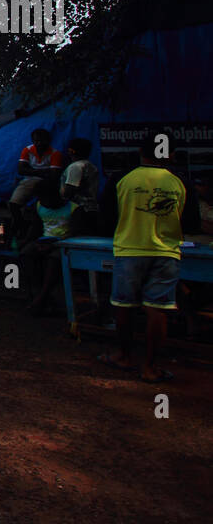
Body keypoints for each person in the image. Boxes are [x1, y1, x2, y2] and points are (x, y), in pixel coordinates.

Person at [100, 133, 186, 383]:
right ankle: (150, 367)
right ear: (170, 155)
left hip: (129, 250)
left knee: (124, 306)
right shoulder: (179, 182)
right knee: (158, 309)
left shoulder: (122, 179)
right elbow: (188, 221)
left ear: (141, 151)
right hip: (166, 252)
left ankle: (124, 356)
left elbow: (106, 217)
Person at [20, 180, 76, 316]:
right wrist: (28, 241)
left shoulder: (74, 209)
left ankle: (42, 297)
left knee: (54, 258)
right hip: (44, 241)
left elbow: (75, 234)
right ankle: (37, 293)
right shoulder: (39, 206)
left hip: (65, 244)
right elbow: (36, 228)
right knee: (26, 253)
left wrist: (53, 245)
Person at [8, 128, 65, 243]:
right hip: (30, 180)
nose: (39, 144)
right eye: (36, 141)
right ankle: (20, 225)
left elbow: (54, 175)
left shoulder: (55, 153)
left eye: (41, 141)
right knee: (13, 203)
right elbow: (21, 169)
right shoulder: (28, 150)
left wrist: (32, 170)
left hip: (47, 183)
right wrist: (41, 172)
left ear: (48, 141)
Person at [59, 137, 100, 236]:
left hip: (79, 210)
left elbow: (70, 189)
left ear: (71, 151)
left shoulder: (76, 167)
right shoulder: (91, 166)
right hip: (91, 208)